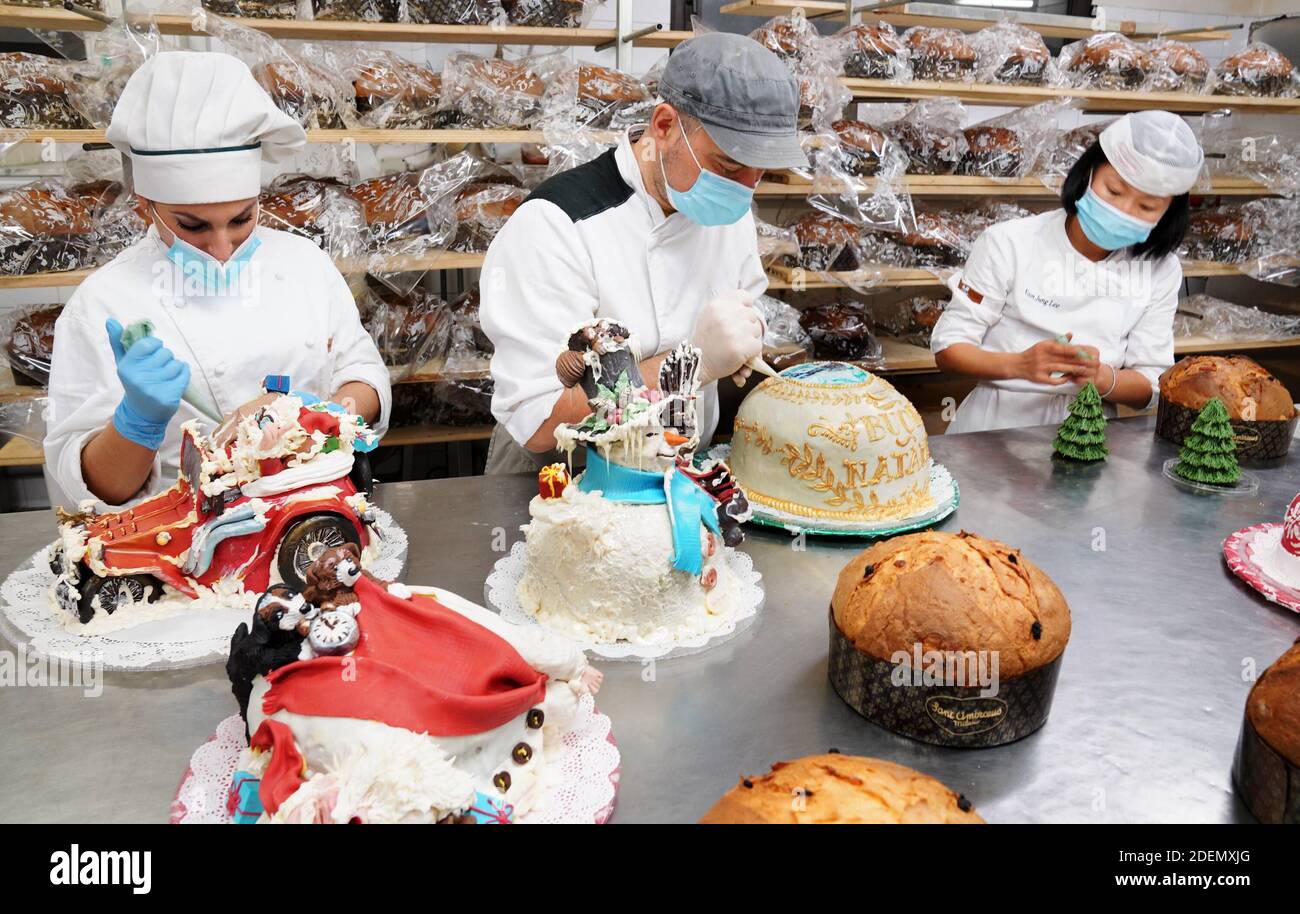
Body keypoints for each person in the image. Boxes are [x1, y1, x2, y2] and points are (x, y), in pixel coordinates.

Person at [44, 52, 390, 508]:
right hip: (181, 538)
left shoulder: (305, 263)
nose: (223, 250)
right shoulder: (103, 303)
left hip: (316, 513)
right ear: (145, 203)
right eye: (193, 227)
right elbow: (94, 489)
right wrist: (137, 423)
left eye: (242, 218)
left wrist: (309, 414)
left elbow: (364, 378)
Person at [479, 32, 807, 474]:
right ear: (665, 126)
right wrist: (688, 365)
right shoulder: (555, 224)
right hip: (561, 481)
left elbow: (746, 299)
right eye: (728, 165)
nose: (744, 188)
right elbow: (542, 419)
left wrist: (745, 336)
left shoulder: (729, 211)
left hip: (678, 471)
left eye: (760, 171)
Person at [931, 110, 1204, 433]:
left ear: (1168, 214)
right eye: (1114, 191)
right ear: (1087, 174)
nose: (1123, 211)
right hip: (994, 426)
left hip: (1090, 432)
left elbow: (1153, 386)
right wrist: (1020, 365)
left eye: (1146, 207)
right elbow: (949, 348)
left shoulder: (1161, 270)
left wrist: (1102, 378)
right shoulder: (1009, 241)